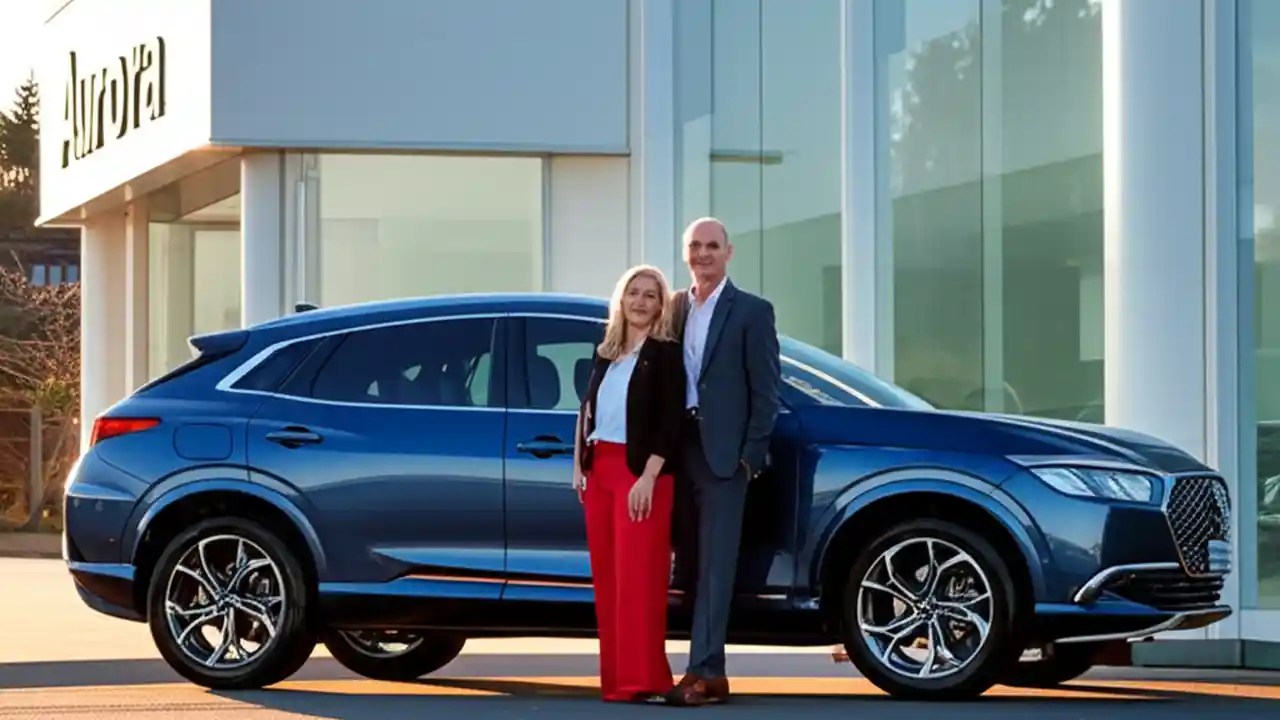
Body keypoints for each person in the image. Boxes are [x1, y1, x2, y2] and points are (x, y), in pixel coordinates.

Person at [665, 217, 781, 707]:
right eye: (695, 246)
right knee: (685, 567)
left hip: (723, 459)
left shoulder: (752, 311)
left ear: (728, 252)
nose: (703, 254)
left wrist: (749, 458)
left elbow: (766, 390)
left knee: (716, 568)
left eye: (712, 246)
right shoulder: (672, 307)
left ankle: (706, 671)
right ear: (685, 252)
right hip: (674, 452)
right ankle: (690, 666)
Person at [572, 264, 687, 703]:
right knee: (609, 580)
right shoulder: (607, 352)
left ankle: (648, 680)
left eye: (651, 295)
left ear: (661, 305)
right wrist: (578, 463)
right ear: (621, 300)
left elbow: (671, 422)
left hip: (642, 474)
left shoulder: (666, 354)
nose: (640, 301)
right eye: (633, 293)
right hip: (599, 471)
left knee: (641, 580)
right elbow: (588, 409)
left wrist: (650, 476)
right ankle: (618, 682)